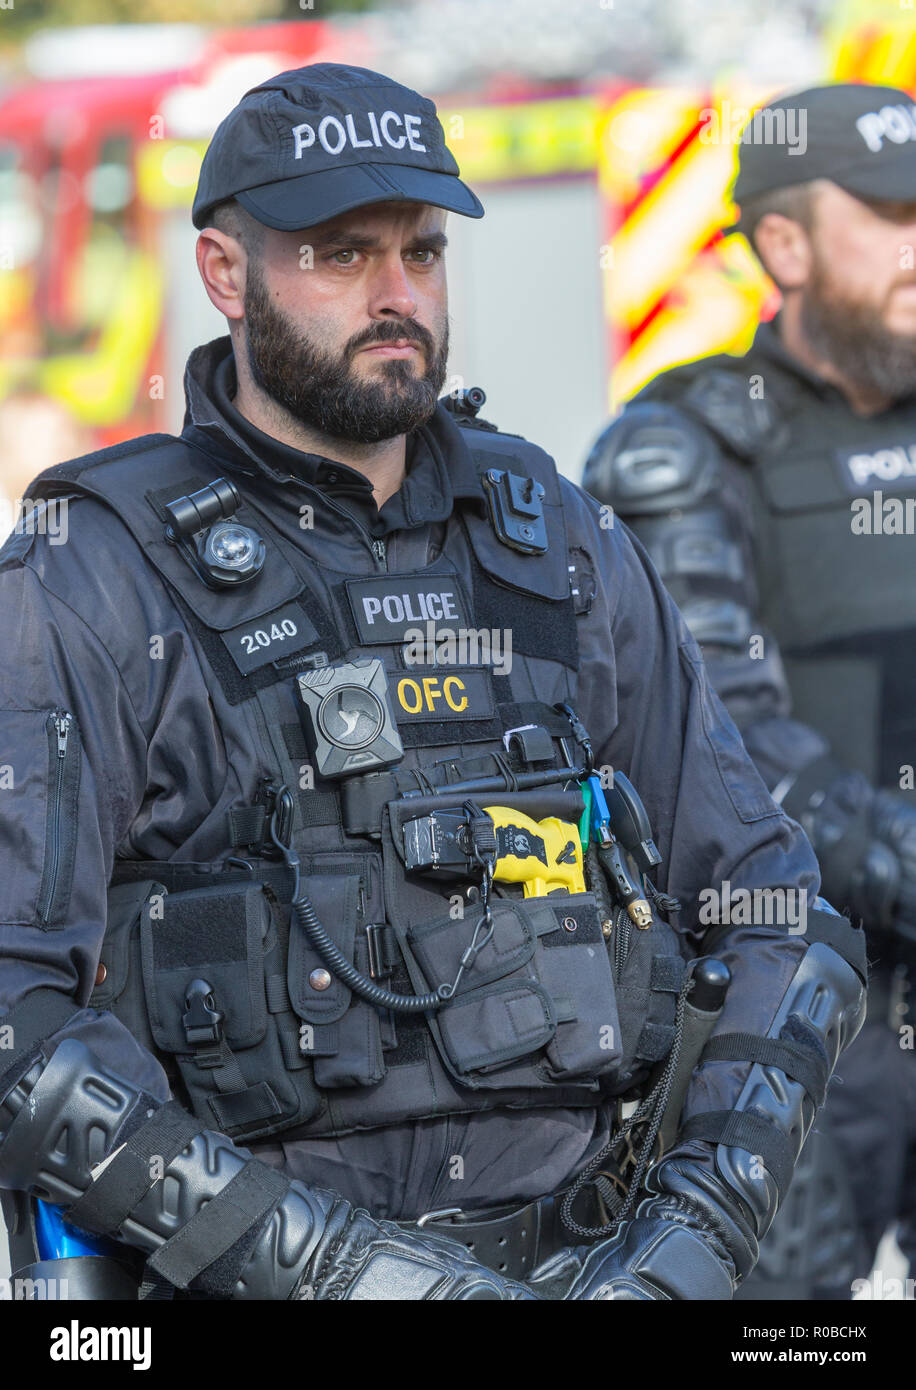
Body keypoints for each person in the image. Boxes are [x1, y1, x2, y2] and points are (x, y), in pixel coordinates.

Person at [0, 63, 865, 1303]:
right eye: (339, 255)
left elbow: (772, 900)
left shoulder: (554, 535)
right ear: (225, 273)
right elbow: (13, 1020)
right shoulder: (92, 571)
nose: (396, 295)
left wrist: (686, 1245)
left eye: (420, 250)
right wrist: (353, 1274)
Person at [584, 82, 916, 1298]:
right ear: (783, 243)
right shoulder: (684, 446)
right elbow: (710, 739)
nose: (915, 244)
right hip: (792, 995)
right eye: (886, 215)